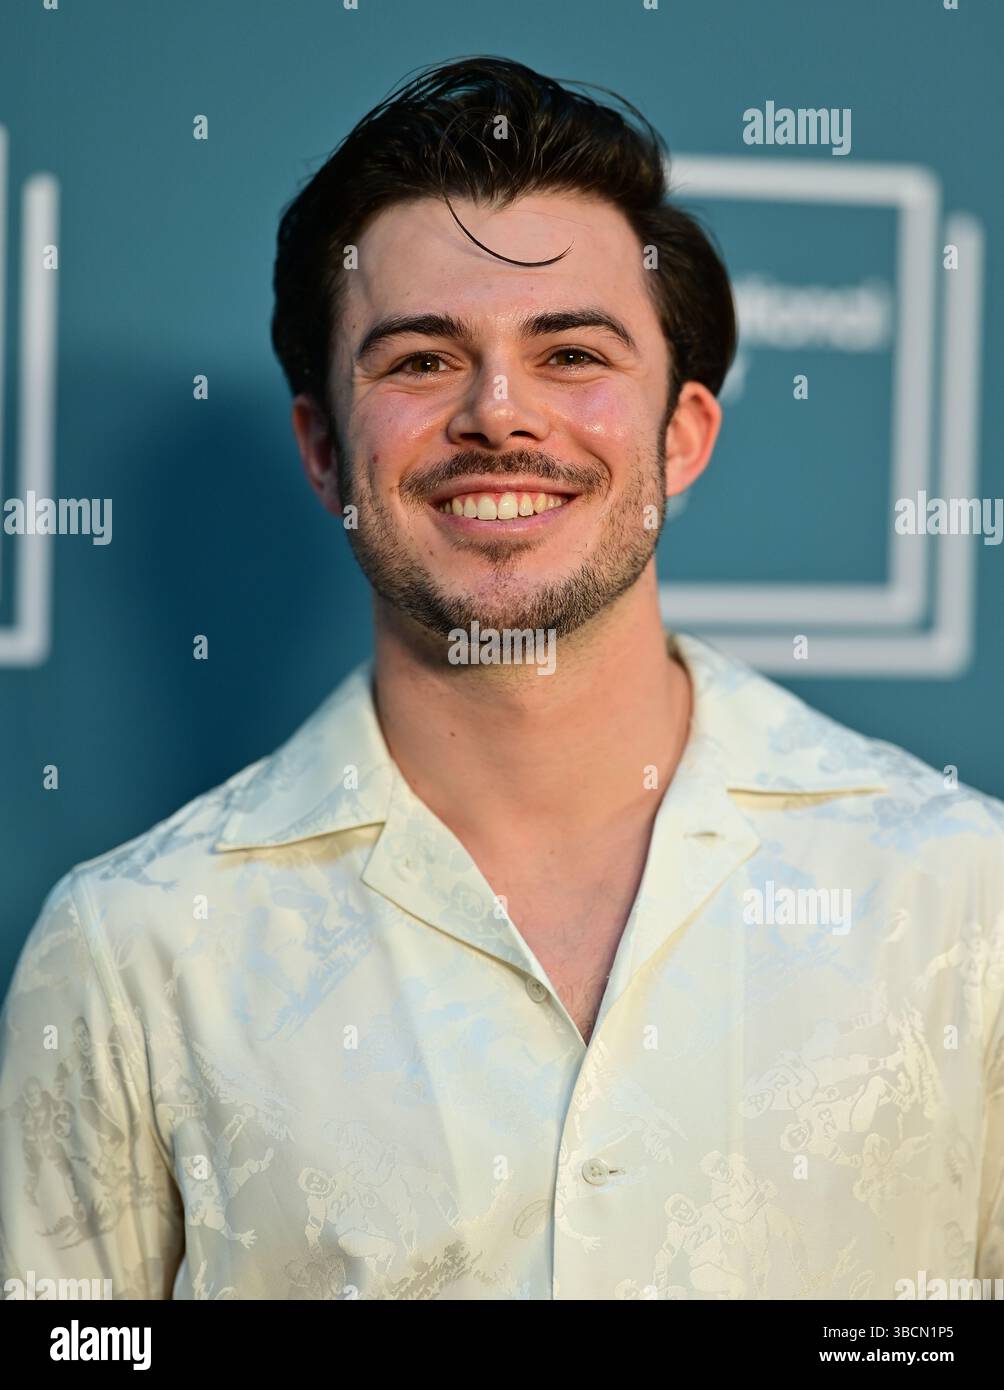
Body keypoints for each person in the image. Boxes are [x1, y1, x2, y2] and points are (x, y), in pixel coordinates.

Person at [2, 56, 1001, 1302]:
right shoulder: (133, 949)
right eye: (419, 360)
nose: (497, 413)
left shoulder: (963, 897)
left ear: (680, 434)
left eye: (571, 351)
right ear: (322, 449)